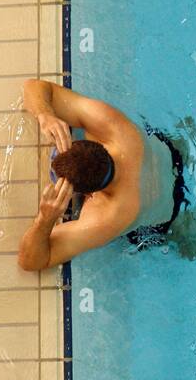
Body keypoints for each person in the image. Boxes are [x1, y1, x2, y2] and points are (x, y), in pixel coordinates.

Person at [17, 78, 182, 270]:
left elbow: (31, 262)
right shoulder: (110, 125)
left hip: (171, 213)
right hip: (171, 152)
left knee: (182, 241)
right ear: (97, 142)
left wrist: (45, 220)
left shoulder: (105, 217)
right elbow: (33, 85)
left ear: (87, 194)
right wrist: (45, 115)